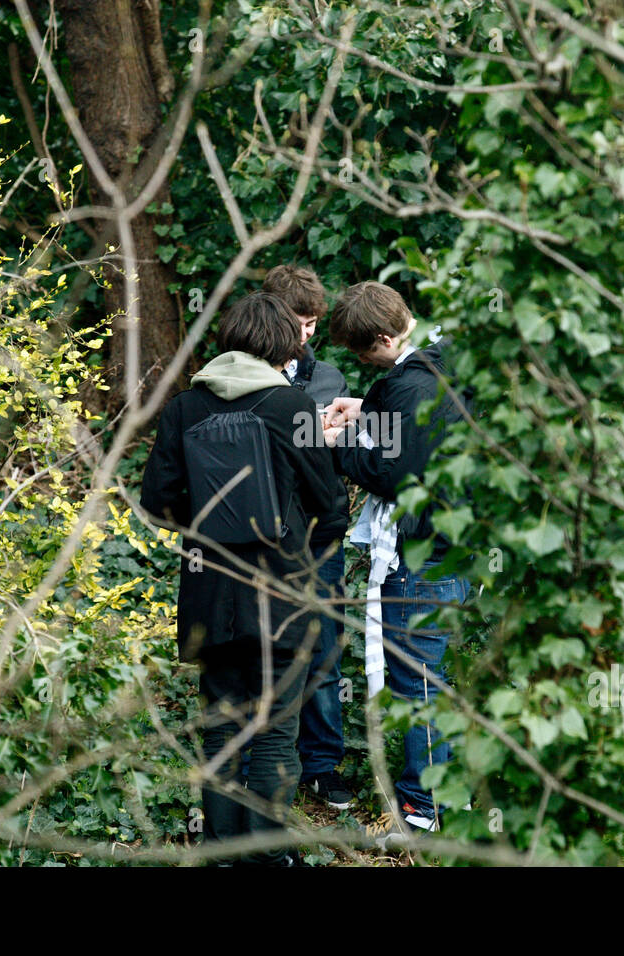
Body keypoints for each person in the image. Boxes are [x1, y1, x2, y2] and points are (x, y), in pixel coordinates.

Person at [139, 292, 337, 865]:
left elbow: (156, 501)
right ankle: (269, 856)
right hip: (283, 591)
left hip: (210, 594)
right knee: (276, 729)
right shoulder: (292, 407)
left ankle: (220, 853)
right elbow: (328, 499)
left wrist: (205, 531)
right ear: (281, 343)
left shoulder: (183, 409)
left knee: (222, 727)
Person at [324, 281, 470, 836]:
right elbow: (424, 428)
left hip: (421, 549)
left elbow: (393, 471)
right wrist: (365, 408)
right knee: (432, 674)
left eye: (365, 354)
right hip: (459, 542)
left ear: (385, 338)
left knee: (419, 681)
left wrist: (338, 443)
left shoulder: (409, 385)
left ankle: (422, 812)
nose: (362, 362)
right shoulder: (451, 356)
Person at [262, 264, 355, 810]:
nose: (307, 334)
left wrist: (334, 441)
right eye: (299, 323)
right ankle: (264, 762)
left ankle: (322, 765)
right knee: (264, 648)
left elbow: (346, 459)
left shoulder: (329, 381)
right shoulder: (239, 376)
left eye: (313, 323)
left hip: (320, 537)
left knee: (321, 649)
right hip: (261, 536)